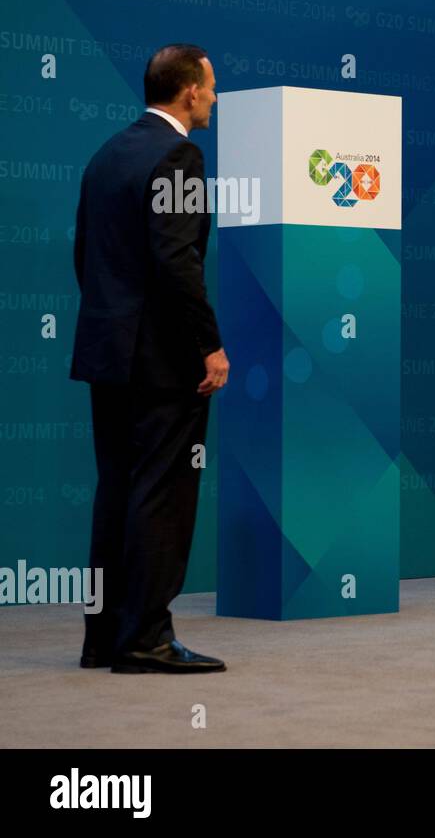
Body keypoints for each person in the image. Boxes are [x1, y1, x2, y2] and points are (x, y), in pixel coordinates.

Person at [71, 44, 230, 672]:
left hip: (108, 353)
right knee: (159, 496)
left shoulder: (108, 153)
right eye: (211, 87)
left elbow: (85, 255)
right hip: (162, 363)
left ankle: (105, 637)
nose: (215, 98)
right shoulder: (179, 156)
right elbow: (176, 261)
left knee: (117, 492)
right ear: (188, 91)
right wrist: (207, 345)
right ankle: (147, 640)